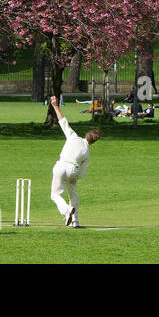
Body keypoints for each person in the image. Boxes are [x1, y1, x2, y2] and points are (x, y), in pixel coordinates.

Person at [49, 96, 99, 227]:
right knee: (73, 195)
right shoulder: (87, 153)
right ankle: (75, 221)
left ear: (86, 135)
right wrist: (75, 177)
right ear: (93, 142)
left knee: (55, 195)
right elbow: (82, 173)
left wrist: (55, 106)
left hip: (61, 166)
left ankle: (66, 211)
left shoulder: (73, 136)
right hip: (73, 170)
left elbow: (62, 121)